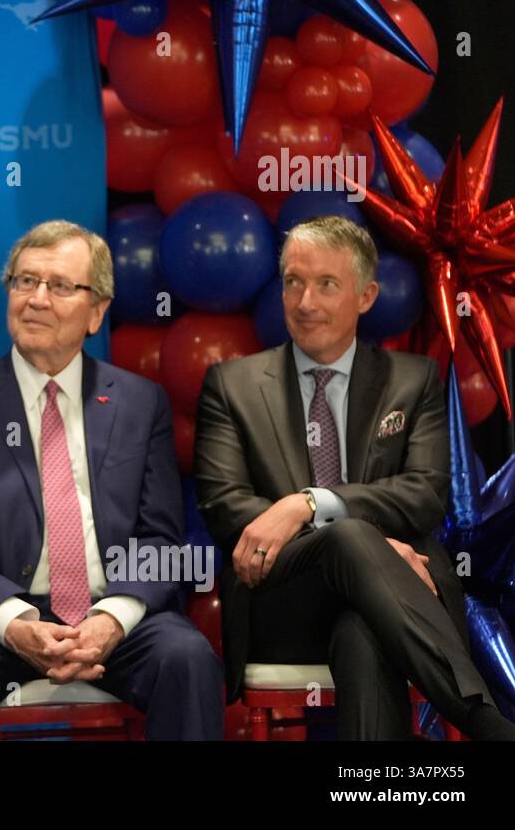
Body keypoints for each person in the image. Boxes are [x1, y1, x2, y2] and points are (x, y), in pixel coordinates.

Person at [0, 220, 223, 740]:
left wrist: (111, 620)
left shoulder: (141, 403)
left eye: (59, 286)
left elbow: (160, 539)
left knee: (187, 659)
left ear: (97, 313)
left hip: (107, 608)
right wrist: (16, 621)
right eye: (24, 282)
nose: (36, 300)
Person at [195, 215, 515, 740]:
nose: (304, 302)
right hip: (282, 599)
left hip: (395, 601)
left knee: (365, 632)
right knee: (347, 535)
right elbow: (225, 506)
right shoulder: (233, 384)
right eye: (293, 282)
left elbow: (427, 493)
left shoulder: (413, 380)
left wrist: (308, 502)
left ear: (366, 296)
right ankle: (485, 722)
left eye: (326, 284)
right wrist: (358, 538)